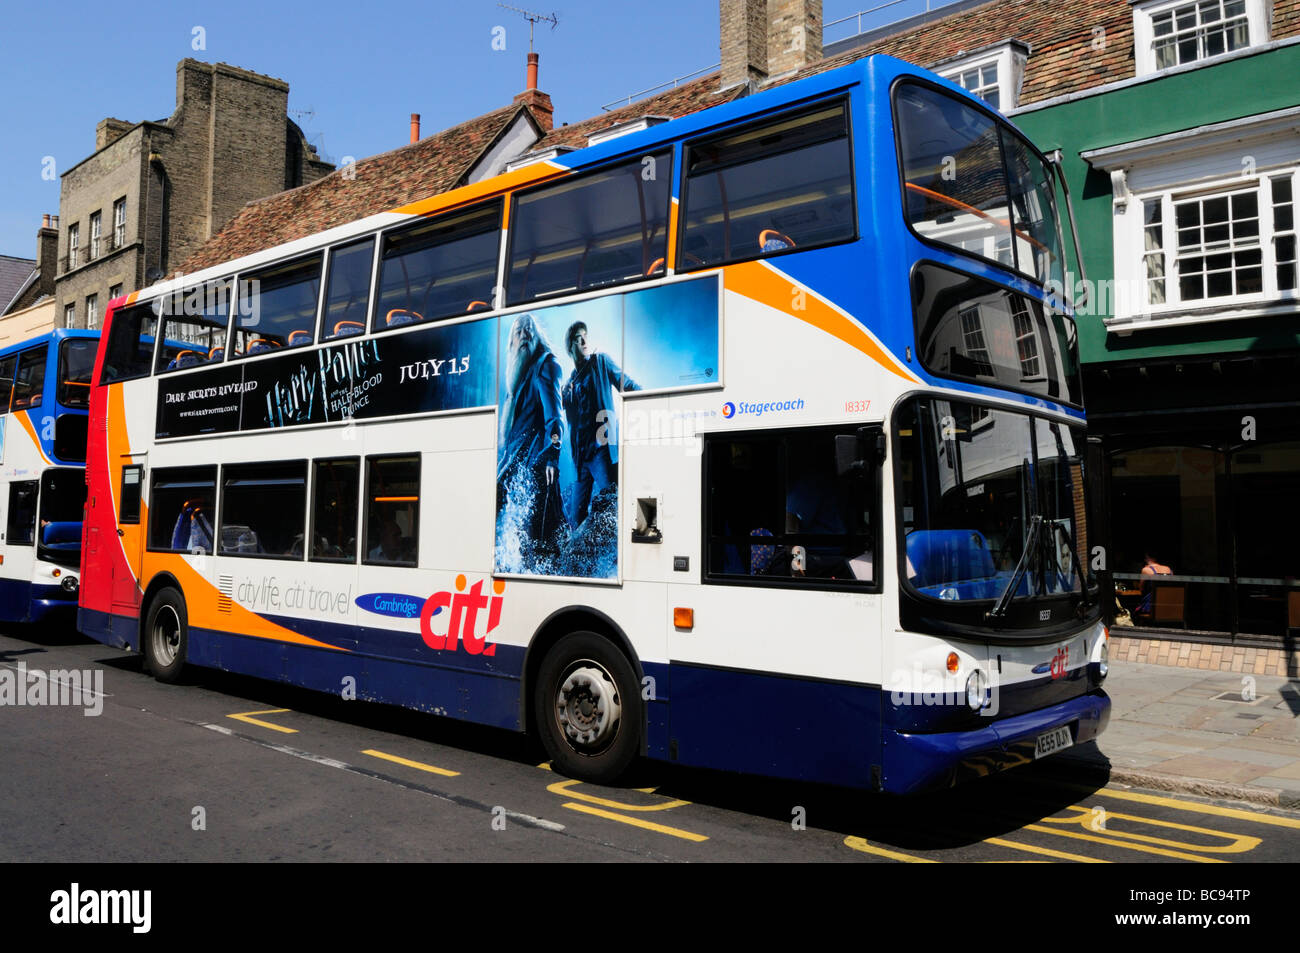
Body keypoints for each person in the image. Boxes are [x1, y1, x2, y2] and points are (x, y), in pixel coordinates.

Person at [561, 320, 640, 527]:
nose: (585, 341)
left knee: (612, 504)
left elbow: (628, 384)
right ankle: (581, 556)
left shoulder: (601, 362)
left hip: (602, 450)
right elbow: (567, 422)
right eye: (579, 339)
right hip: (581, 460)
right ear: (571, 347)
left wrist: (648, 401)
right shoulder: (568, 385)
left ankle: (617, 553)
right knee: (576, 519)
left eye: (585, 335)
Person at [498, 313, 567, 549]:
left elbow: (555, 418)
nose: (524, 335)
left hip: (533, 459)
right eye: (518, 332)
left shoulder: (545, 365)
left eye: (528, 330)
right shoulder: (519, 376)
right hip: (516, 459)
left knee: (537, 533)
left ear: (536, 335)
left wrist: (552, 454)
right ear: (512, 343)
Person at [1136, 552, 1173, 616]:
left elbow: (1141, 589)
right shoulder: (1168, 569)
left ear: (1147, 557)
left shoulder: (1146, 570)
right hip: (1169, 605)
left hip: (1152, 606)